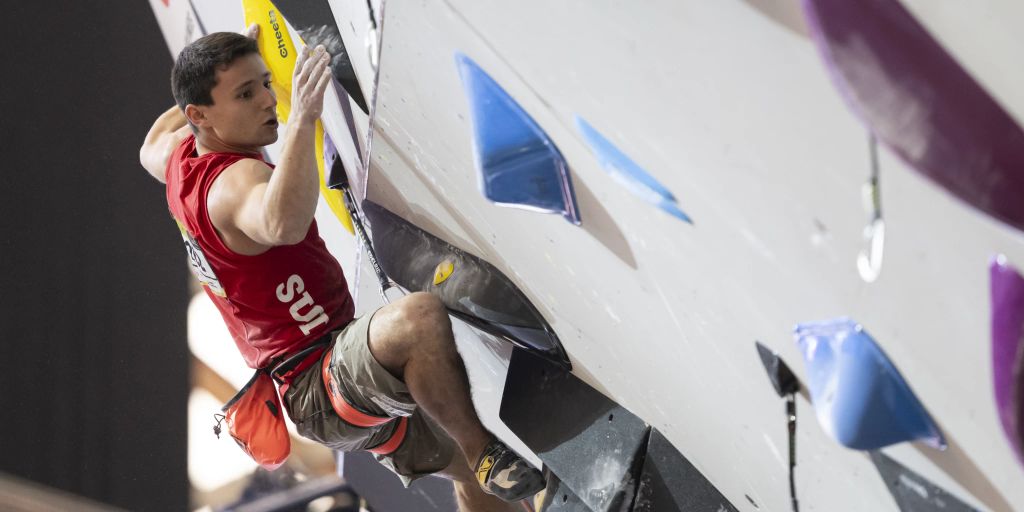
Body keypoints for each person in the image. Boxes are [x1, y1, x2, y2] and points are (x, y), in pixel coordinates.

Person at [139, 27, 544, 511]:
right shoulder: (233, 182)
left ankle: (477, 467)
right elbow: (281, 223)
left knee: (473, 486)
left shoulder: (175, 157)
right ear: (200, 116)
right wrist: (306, 116)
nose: (268, 100)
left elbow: (151, 140)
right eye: (247, 94)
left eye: (265, 83)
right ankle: (485, 453)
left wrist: (226, 63)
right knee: (415, 322)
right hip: (322, 384)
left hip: (321, 384)